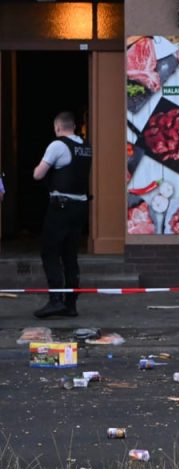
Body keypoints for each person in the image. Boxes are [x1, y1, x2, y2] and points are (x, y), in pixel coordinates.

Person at [31, 111, 91, 318]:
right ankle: (71, 304)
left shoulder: (57, 145)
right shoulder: (85, 146)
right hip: (81, 206)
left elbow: (38, 174)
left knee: (50, 252)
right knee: (70, 255)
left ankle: (56, 300)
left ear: (57, 128)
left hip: (61, 207)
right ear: (73, 126)